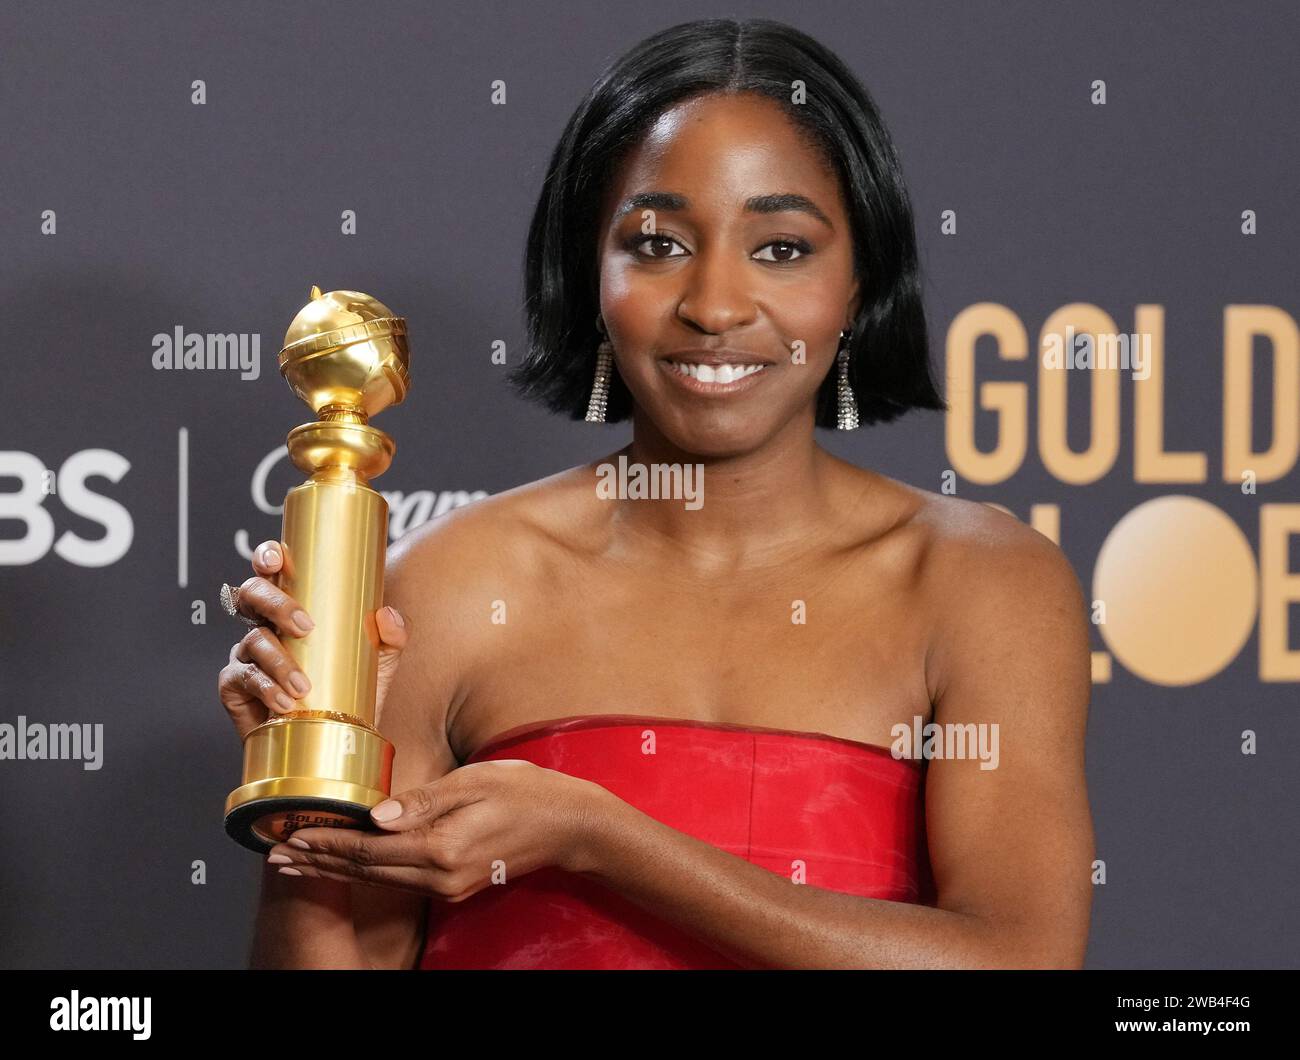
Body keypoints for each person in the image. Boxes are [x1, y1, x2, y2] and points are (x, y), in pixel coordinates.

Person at [218, 17, 1094, 969]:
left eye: (782, 248)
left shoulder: (982, 582)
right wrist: (302, 799)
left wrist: (601, 838)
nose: (715, 306)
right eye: (659, 243)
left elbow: (1020, 961)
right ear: (590, 271)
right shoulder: (449, 586)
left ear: (862, 281)